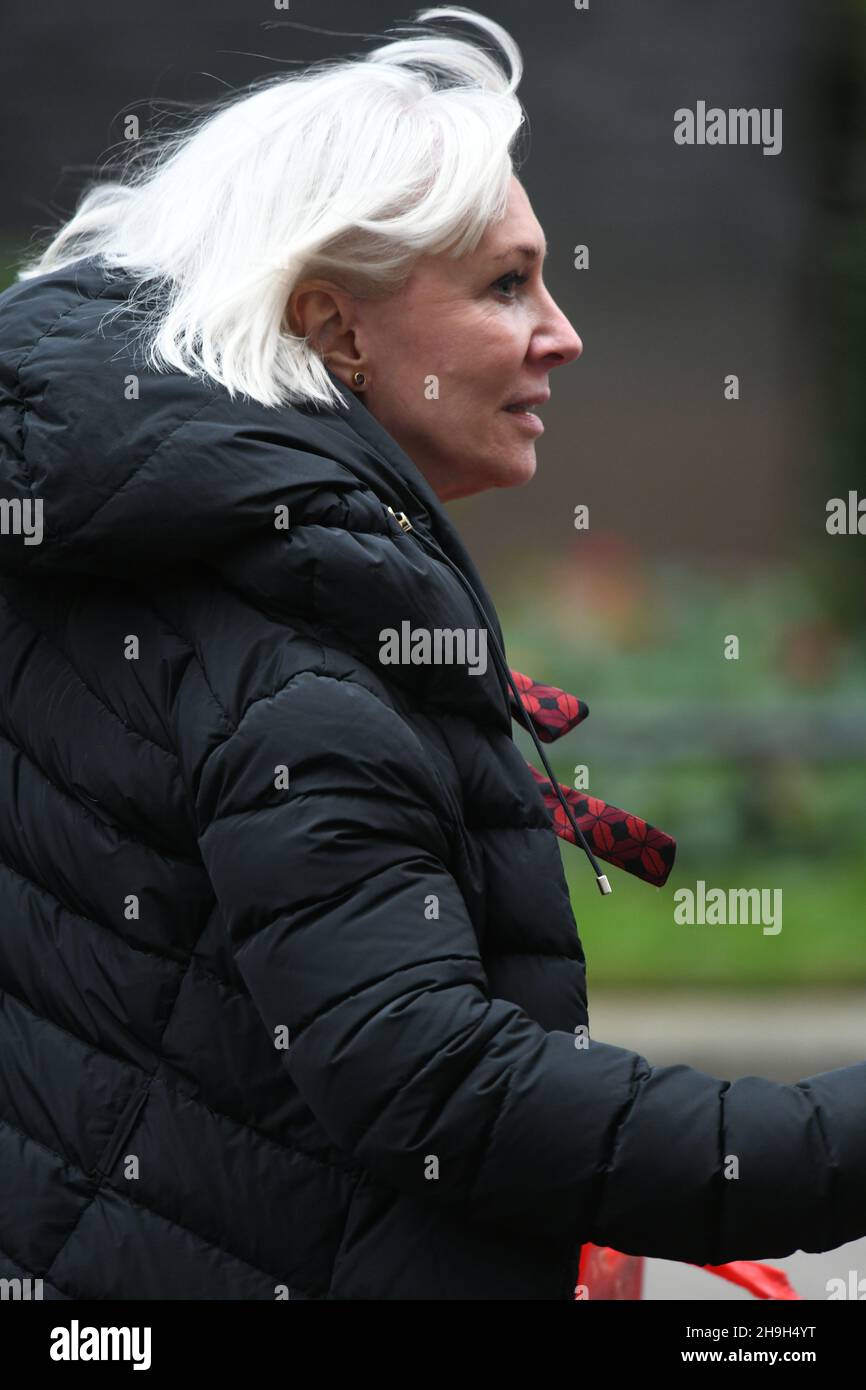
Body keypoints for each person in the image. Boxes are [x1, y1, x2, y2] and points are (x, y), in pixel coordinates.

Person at [0, 6, 864, 1302]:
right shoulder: (293, 640)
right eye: (506, 284)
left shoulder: (143, 551)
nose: (560, 333)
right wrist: (826, 1141)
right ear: (332, 327)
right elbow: (433, 1087)